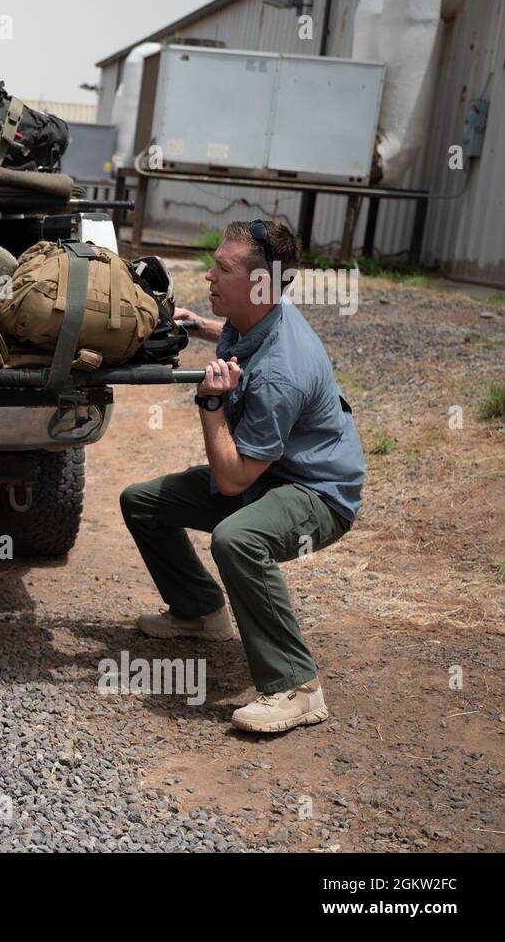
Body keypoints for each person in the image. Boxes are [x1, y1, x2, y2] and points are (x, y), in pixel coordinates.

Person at [120, 219, 365, 733]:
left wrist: (210, 403)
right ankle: (200, 611)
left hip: (317, 492)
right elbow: (234, 338)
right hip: (271, 475)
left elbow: (231, 481)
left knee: (237, 539)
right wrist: (198, 326)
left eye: (222, 268)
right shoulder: (258, 314)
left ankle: (296, 687)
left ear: (260, 284)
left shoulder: (280, 371)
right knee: (141, 501)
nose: (209, 275)